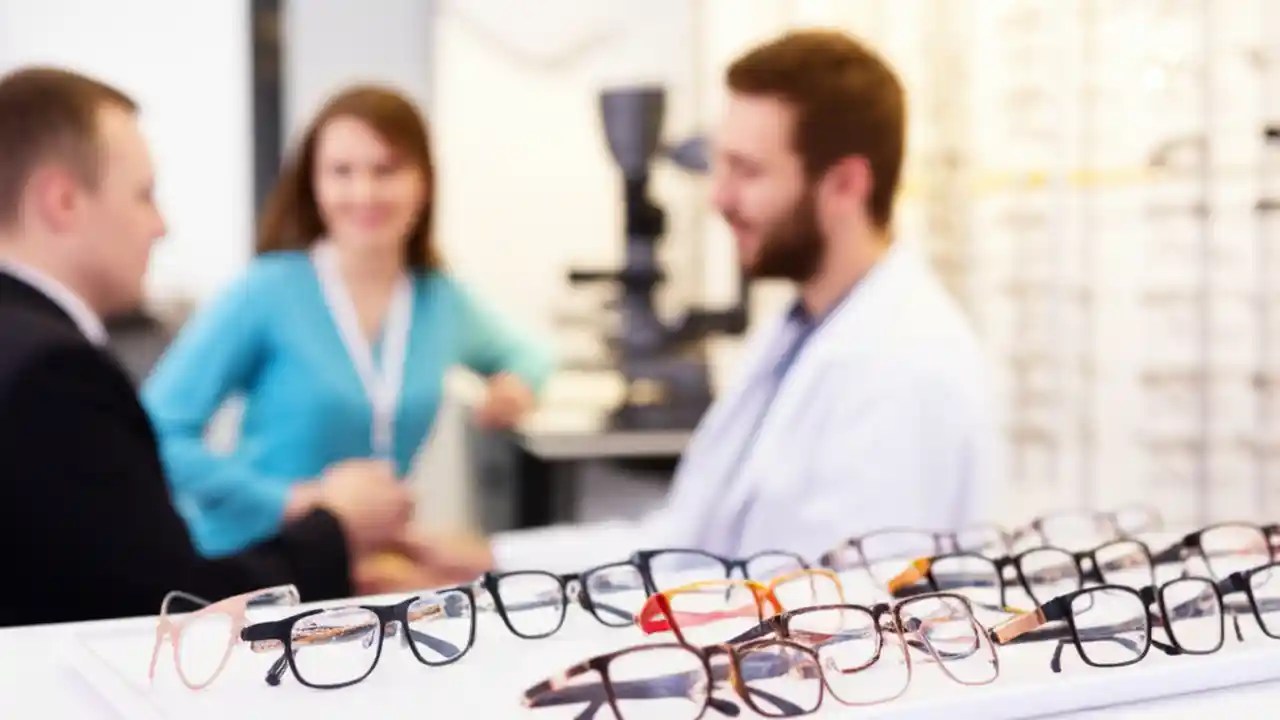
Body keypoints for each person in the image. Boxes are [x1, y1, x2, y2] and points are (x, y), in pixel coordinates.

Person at [423, 30, 999, 576]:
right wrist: (491, 560)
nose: (718, 198)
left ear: (846, 185)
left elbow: (846, 626)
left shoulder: (906, 367)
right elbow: (686, 546)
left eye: (747, 171)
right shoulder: (799, 331)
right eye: (720, 164)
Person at [0, 68, 425, 627]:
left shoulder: (441, 297)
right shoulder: (55, 372)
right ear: (62, 202)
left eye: (385, 170)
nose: (162, 226)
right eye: (144, 195)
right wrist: (326, 520)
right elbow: (164, 604)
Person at [141, 86, 555, 558]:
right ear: (313, 186)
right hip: (249, 559)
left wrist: (519, 384)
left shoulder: (439, 300)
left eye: (386, 170)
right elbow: (154, 433)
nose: (364, 192)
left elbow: (533, 354)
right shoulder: (267, 291)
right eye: (342, 172)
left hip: (356, 572)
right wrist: (302, 502)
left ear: (424, 182)